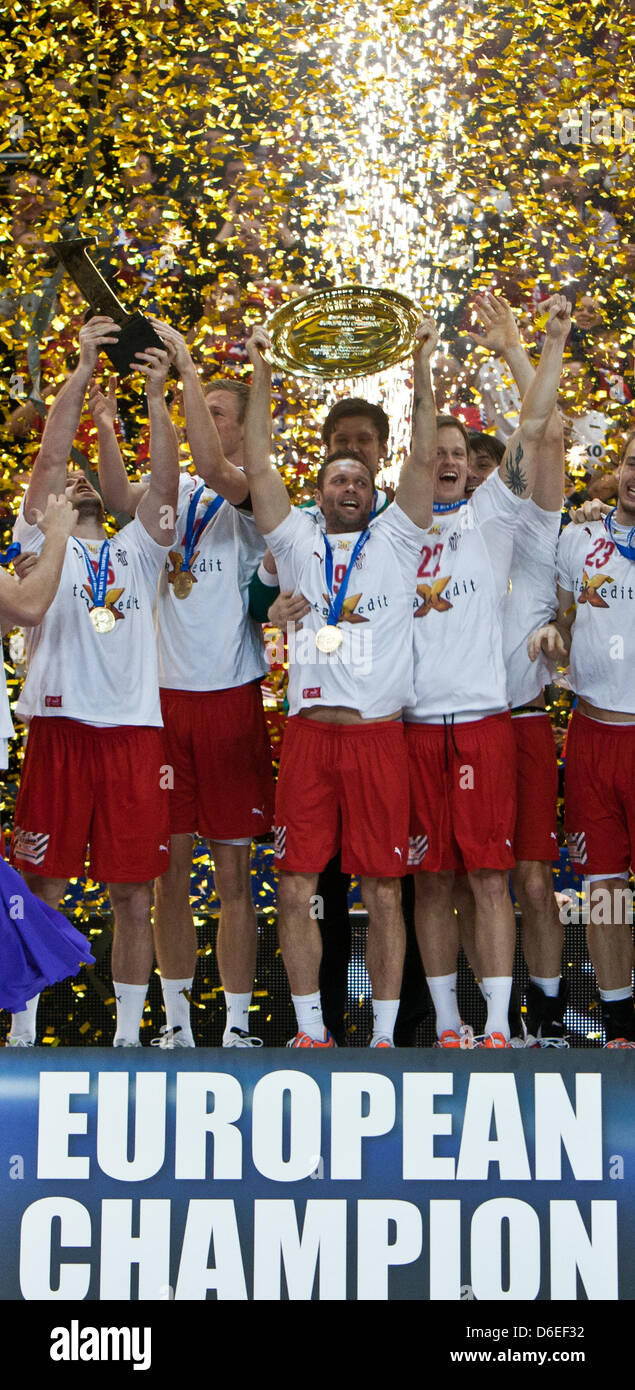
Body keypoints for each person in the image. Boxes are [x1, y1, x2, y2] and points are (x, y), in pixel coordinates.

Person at [242, 320, 437, 1048]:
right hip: (308, 739)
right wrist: (261, 371)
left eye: (358, 479)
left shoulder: (397, 536)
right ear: (318, 491)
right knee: (295, 886)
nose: (348, 486)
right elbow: (258, 465)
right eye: (335, 479)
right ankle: (310, 1030)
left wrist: (421, 367)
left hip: (378, 737)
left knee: (384, 887)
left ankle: (384, 1034)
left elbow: (421, 452)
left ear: (372, 489)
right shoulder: (293, 539)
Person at [94, 318, 273, 1048]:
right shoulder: (176, 495)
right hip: (160, 700)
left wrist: (182, 374)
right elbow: (115, 499)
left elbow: (207, 457)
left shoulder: (256, 486)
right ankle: (174, 1024)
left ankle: (234, 1027)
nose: (213, 422)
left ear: (233, 425)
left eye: (222, 413)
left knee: (233, 878)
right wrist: (109, 423)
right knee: (166, 873)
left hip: (228, 697)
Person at [405, 294, 572, 1050]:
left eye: (454, 453)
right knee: (430, 882)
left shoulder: (493, 517)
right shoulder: (387, 529)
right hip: (410, 727)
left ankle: (503, 1025)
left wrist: (541, 341)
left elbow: (536, 430)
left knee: (491, 878)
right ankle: (446, 1025)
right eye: (431, 450)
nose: (444, 460)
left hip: (485, 722)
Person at [7, 315, 179, 1049]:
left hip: (134, 737)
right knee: (41, 891)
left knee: (133, 892)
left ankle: (129, 1038)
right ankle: (21, 1033)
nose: (74, 479)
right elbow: (48, 459)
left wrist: (156, 397)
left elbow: (165, 483)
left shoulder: (139, 550)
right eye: (67, 483)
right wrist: (79, 369)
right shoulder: (38, 547)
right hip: (60, 729)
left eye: (88, 481)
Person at [529, 428, 635, 1048]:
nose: (634, 475)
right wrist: (551, 633)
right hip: (595, 736)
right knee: (605, 889)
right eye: (629, 462)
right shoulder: (580, 538)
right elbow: (560, 615)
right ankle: (618, 1016)